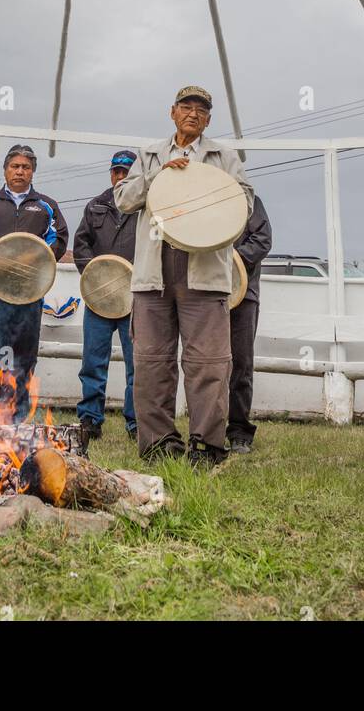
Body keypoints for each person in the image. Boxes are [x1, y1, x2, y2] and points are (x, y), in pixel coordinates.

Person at [115, 85, 254, 468]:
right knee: (151, 360)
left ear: (208, 119)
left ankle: (206, 445)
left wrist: (206, 188)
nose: (193, 114)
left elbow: (245, 203)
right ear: (172, 112)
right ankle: (159, 443)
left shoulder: (223, 156)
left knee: (209, 362)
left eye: (201, 110)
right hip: (153, 271)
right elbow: (123, 199)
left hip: (204, 270)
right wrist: (160, 176)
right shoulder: (150, 155)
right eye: (186, 107)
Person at [0, 144, 68, 423]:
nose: (20, 171)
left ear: (33, 171)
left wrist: (32, 265)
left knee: (23, 357)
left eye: (26, 167)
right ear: (5, 170)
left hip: (29, 296)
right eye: (15, 166)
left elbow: (58, 242)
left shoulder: (46, 206)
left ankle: (18, 418)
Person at [73, 150, 138, 444]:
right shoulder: (95, 206)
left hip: (135, 299)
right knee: (93, 361)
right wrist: (95, 274)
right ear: (110, 173)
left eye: (127, 172)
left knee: (137, 363)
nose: (121, 177)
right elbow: (81, 243)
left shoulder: (146, 207)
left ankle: (136, 422)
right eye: (116, 171)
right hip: (98, 298)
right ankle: (90, 419)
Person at [226, 194, 272, 454]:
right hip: (204, 296)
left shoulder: (251, 201)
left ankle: (240, 431)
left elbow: (263, 239)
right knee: (206, 366)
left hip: (244, 294)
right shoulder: (201, 196)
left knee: (241, 364)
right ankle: (207, 429)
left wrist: (232, 260)